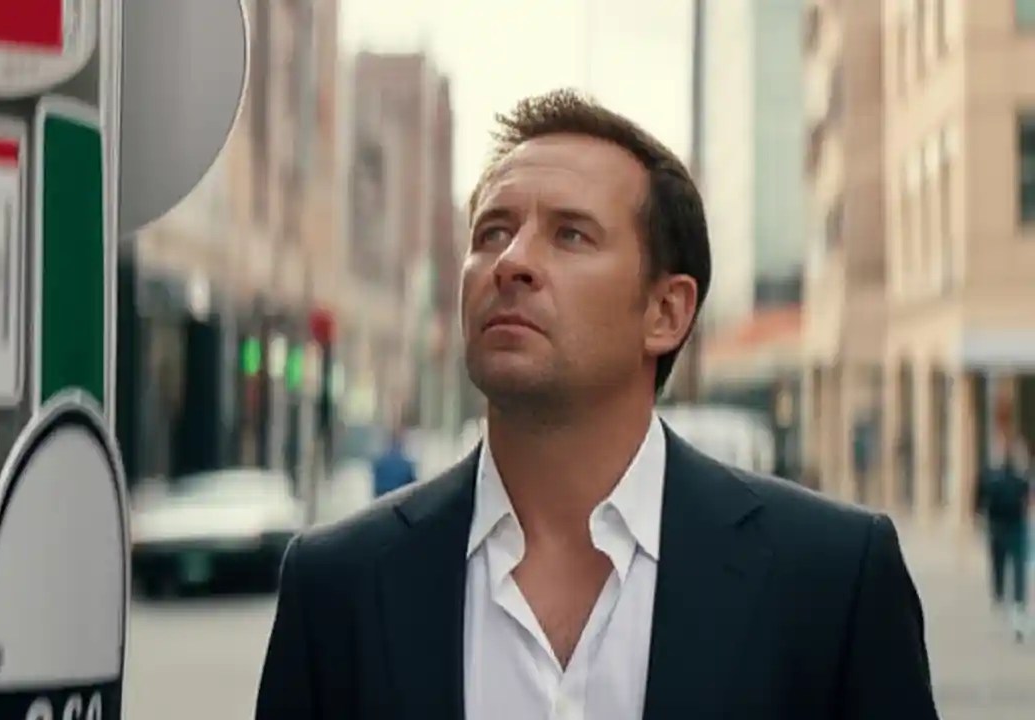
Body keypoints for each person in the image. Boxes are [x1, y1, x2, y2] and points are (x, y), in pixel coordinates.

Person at [256, 89, 937, 719]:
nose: (511, 262)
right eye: (493, 231)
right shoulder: (336, 587)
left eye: (571, 234)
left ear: (666, 312)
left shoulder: (831, 579)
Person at [974, 430, 1030, 641]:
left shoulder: (1009, 474)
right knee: (1004, 563)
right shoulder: (995, 474)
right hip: (1004, 526)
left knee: (1012, 565)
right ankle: (1005, 597)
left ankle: (1013, 602)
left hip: (1010, 526)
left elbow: (1026, 495)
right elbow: (980, 495)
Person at [371, 428, 418, 498]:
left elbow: (376, 487)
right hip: (399, 499)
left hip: (382, 498)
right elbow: (413, 488)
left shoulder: (379, 463)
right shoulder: (406, 465)